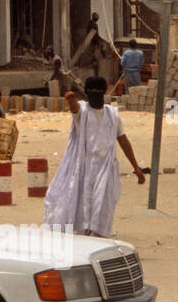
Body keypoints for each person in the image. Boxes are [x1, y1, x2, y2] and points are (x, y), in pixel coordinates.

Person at [43, 76, 145, 237]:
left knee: (100, 204)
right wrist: (71, 100)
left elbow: (123, 140)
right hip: (83, 167)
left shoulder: (112, 115)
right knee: (80, 202)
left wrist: (136, 168)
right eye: (91, 92)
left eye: (98, 92)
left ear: (104, 93)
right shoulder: (83, 110)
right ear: (87, 93)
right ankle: (83, 235)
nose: (95, 95)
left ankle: (97, 235)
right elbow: (75, 109)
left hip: (105, 169)